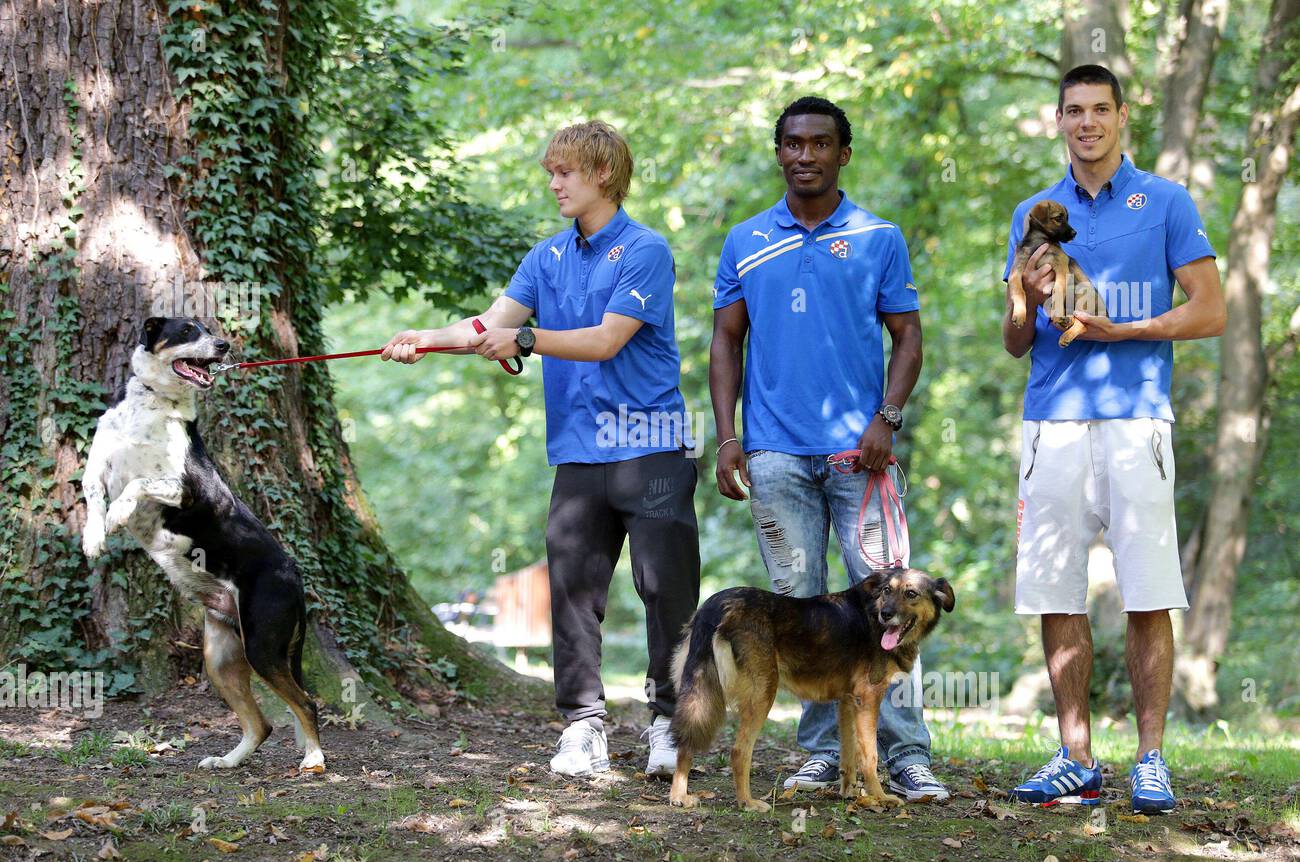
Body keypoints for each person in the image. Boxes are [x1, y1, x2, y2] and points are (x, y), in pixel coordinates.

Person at [382, 120, 700, 778]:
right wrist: (426, 337)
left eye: (566, 172)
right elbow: (490, 324)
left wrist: (528, 341)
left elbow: (606, 340)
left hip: (650, 443)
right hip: (580, 450)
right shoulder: (546, 257)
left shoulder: (645, 249)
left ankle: (670, 722)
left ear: (603, 175)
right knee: (572, 589)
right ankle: (584, 727)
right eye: (550, 172)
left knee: (664, 588)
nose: (553, 183)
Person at [710, 96, 948, 802]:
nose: (804, 155)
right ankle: (820, 756)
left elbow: (908, 336)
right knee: (798, 605)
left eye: (819, 143)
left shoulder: (879, 237)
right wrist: (728, 438)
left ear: (844, 153)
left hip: (862, 457)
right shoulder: (746, 239)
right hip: (775, 455)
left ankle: (906, 758)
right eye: (792, 143)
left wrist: (888, 418)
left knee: (893, 602)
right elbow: (726, 340)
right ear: (778, 152)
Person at [1002, 65, 1225, 813]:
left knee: (1147, 592)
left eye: (1101, 109)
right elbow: (1012, 340)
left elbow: (1211, 310)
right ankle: (1077, 760)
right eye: (1075, 111)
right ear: (1057, 120)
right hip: (1051, 420)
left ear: (1122, 117)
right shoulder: (1034, 212)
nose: (1087, 122)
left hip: (1137, 418)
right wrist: (1025, 304)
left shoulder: (1164, 201)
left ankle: (1151, 759)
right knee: (1056, 592)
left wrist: (1128, 329)